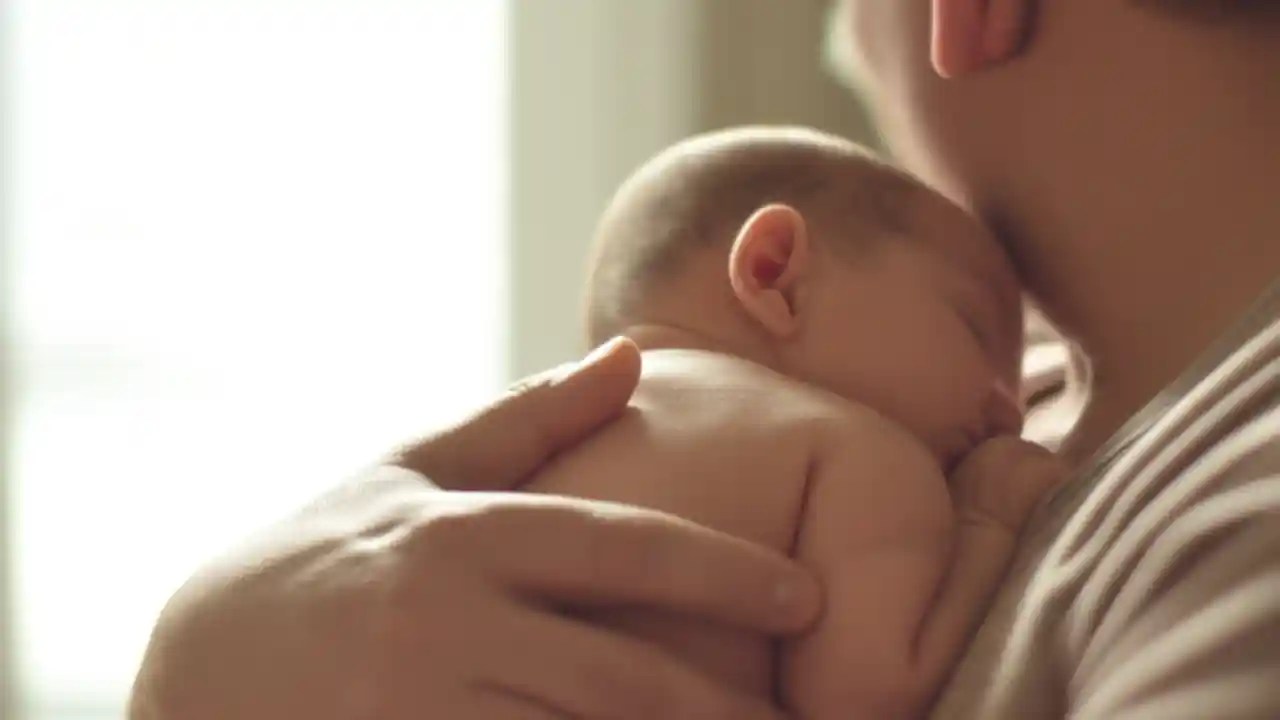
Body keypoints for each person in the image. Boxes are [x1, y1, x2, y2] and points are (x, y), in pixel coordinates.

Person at [129, 2, 1280, 718]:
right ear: (770, 273)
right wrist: (193, 674)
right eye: (971, 330)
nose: (996, 392)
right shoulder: (927, 424)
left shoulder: (1225, 504)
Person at [526, 125, 1059, 718]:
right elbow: (865, 693)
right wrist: (990, 519)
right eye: (975, 328)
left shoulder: (530, 439)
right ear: (776, 273)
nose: (1012, 411)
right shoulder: (852, 450)